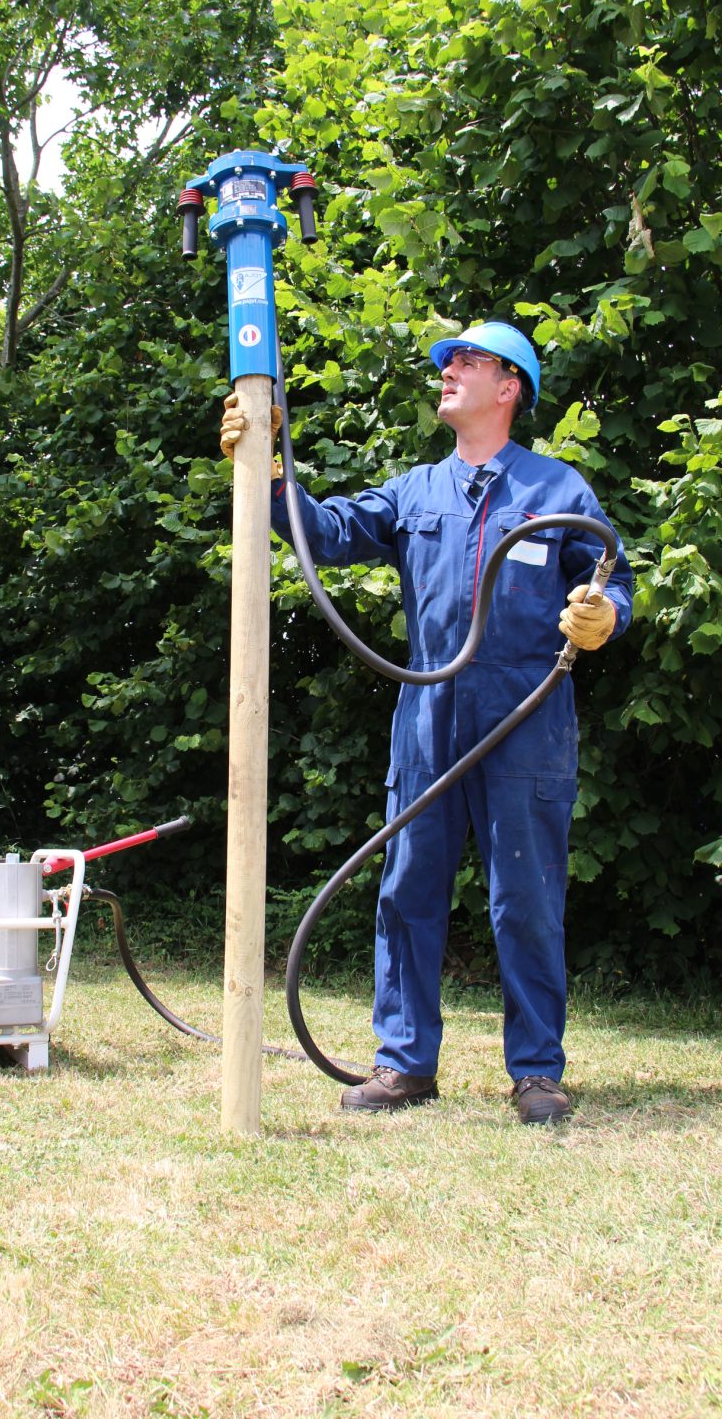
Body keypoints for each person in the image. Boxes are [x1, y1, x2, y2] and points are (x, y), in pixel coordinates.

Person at [220, 322, 632, 1124]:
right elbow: (325, 533)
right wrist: (265, 474)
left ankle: (537, 1073)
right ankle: (405, 1063)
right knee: (408, 888)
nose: (447, 373)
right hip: (429, 713)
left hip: (528, 714)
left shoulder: (557, 491)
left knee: (528, 896)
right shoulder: (415, 491)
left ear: (510, 388)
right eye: (446, 362)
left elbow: (612, 577)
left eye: (466, 363)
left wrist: (602, 616)